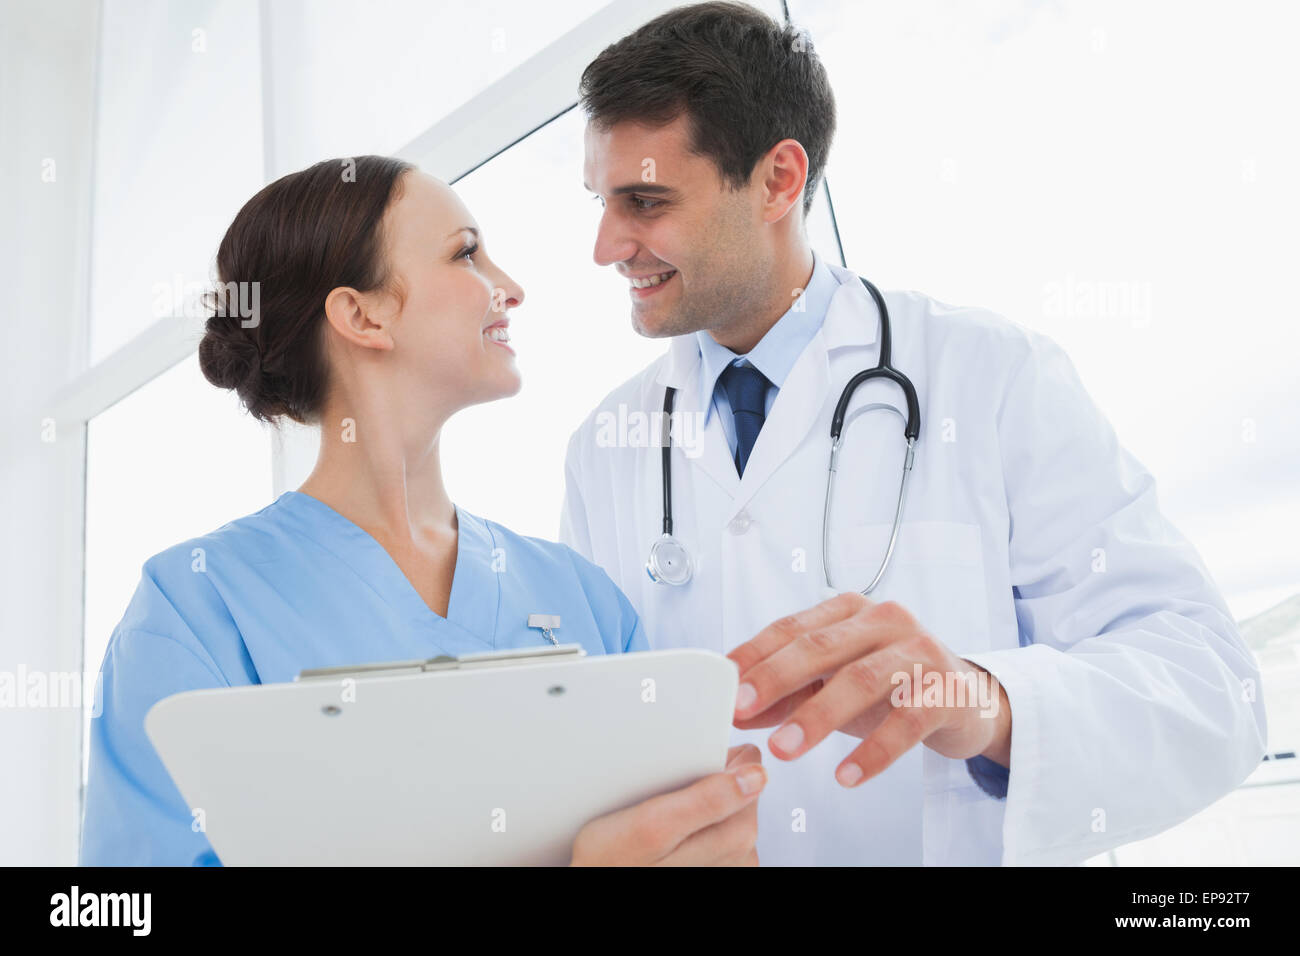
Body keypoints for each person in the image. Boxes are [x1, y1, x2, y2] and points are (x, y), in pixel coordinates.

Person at [561, 1, 1267, 865]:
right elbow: (591, 744)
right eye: (601, 202)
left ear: (779, 180)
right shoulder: (607, 448)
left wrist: (988, 702)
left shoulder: (991, 376)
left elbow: (1211, 691)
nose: (605, 246)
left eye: (644, 200)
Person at [80, 155, 764, 866]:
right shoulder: (196, 607)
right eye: (466, 253)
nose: (511, 288)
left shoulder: (582, 597)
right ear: (361, 313)